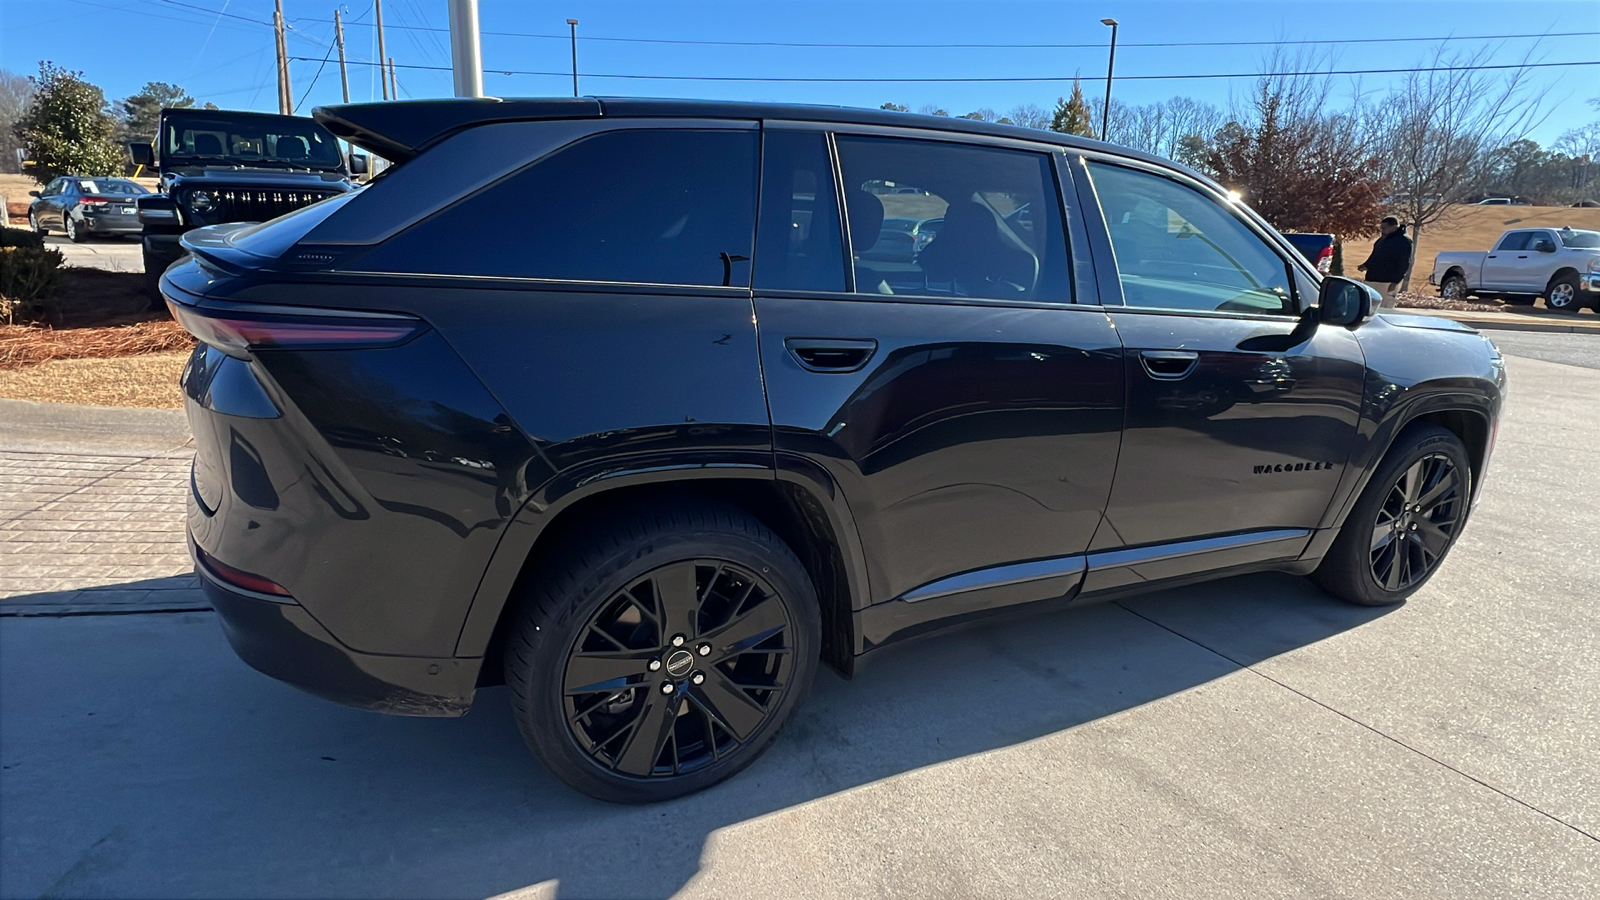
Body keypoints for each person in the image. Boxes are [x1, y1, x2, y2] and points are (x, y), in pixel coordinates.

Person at [1357, 216, 1412, 308]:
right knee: (1368, 307)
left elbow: (1404, 263)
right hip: (1372, 278)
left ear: (1394, 226)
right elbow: (1375, 256)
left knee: (1384, 308)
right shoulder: (1382, 240)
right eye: (1381, 228)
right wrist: (1366, 265)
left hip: (1388, 281)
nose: (1382, 230)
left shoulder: (1404, 241)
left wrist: (1395, 282)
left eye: (1384, 228)